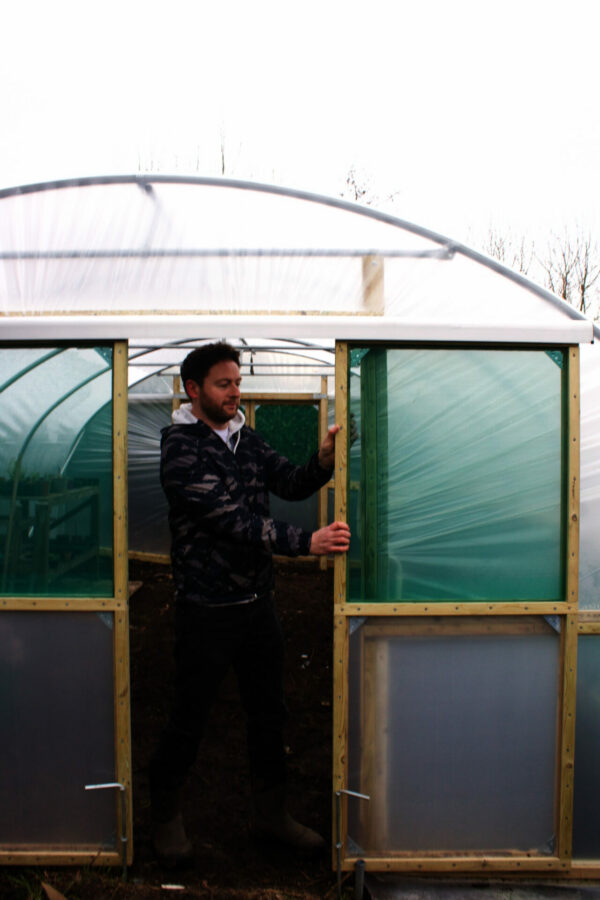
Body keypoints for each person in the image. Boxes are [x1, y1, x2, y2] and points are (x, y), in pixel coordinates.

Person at [149, 341, 351, 865]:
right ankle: (165, 817)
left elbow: (287, 479)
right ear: (194, 390)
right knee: (189, 716)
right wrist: (305, 543)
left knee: (270, 713)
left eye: (238, 382)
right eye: (224, 384)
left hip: (257, 604)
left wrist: (322, 464)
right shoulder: (180, 448)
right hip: (206, 610)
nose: (235, 392)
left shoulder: (245, 438)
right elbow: (231, 521)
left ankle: (271, 815)